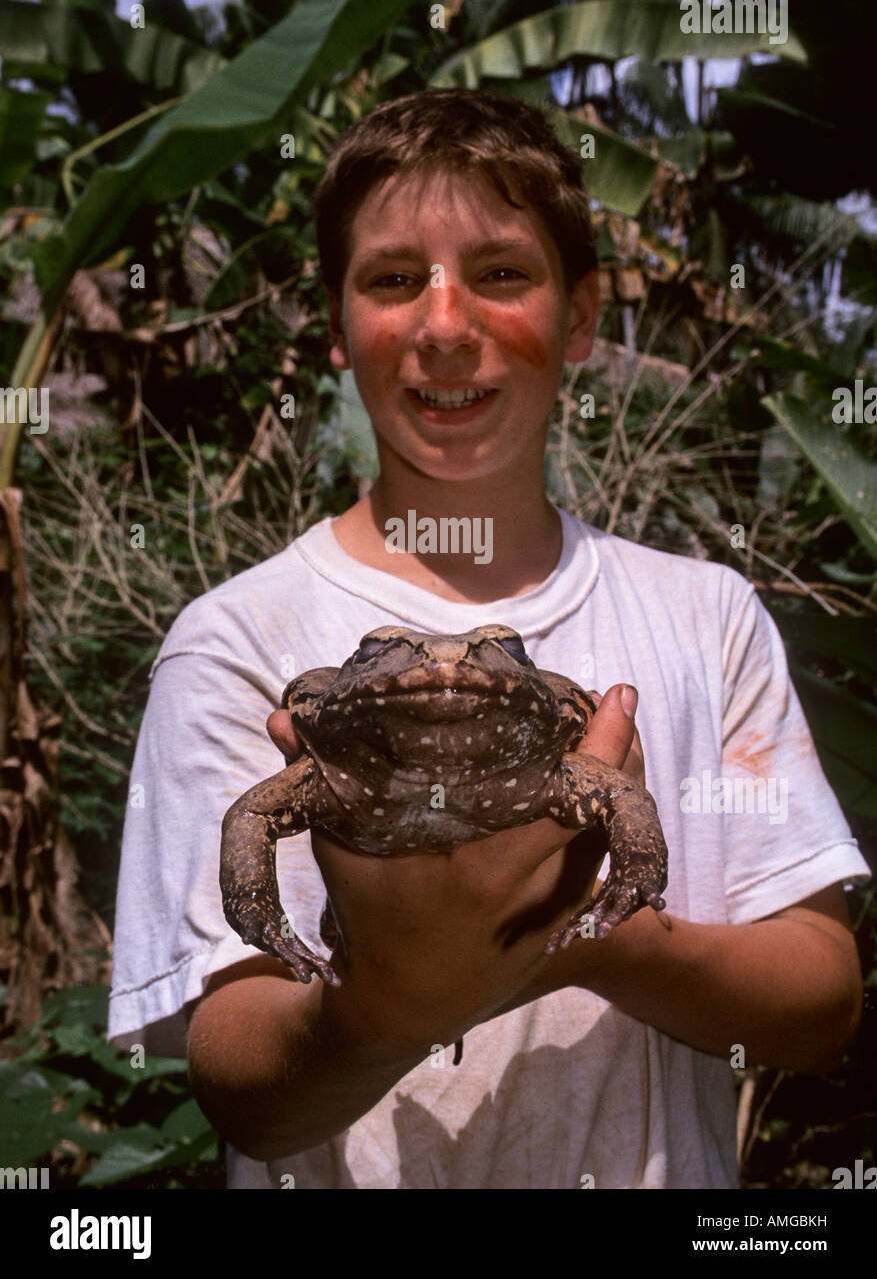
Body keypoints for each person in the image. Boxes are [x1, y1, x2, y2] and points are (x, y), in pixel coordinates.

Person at [107, 90, 868, 1189]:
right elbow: (240, 1086)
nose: (445, 324)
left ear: (582, 313)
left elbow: (821, 1006)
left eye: (502, 272)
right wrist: (379, 1007)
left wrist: (592, 928)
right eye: (390, 278)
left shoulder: (707, 618)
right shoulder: (233, 642)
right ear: (333, 324)